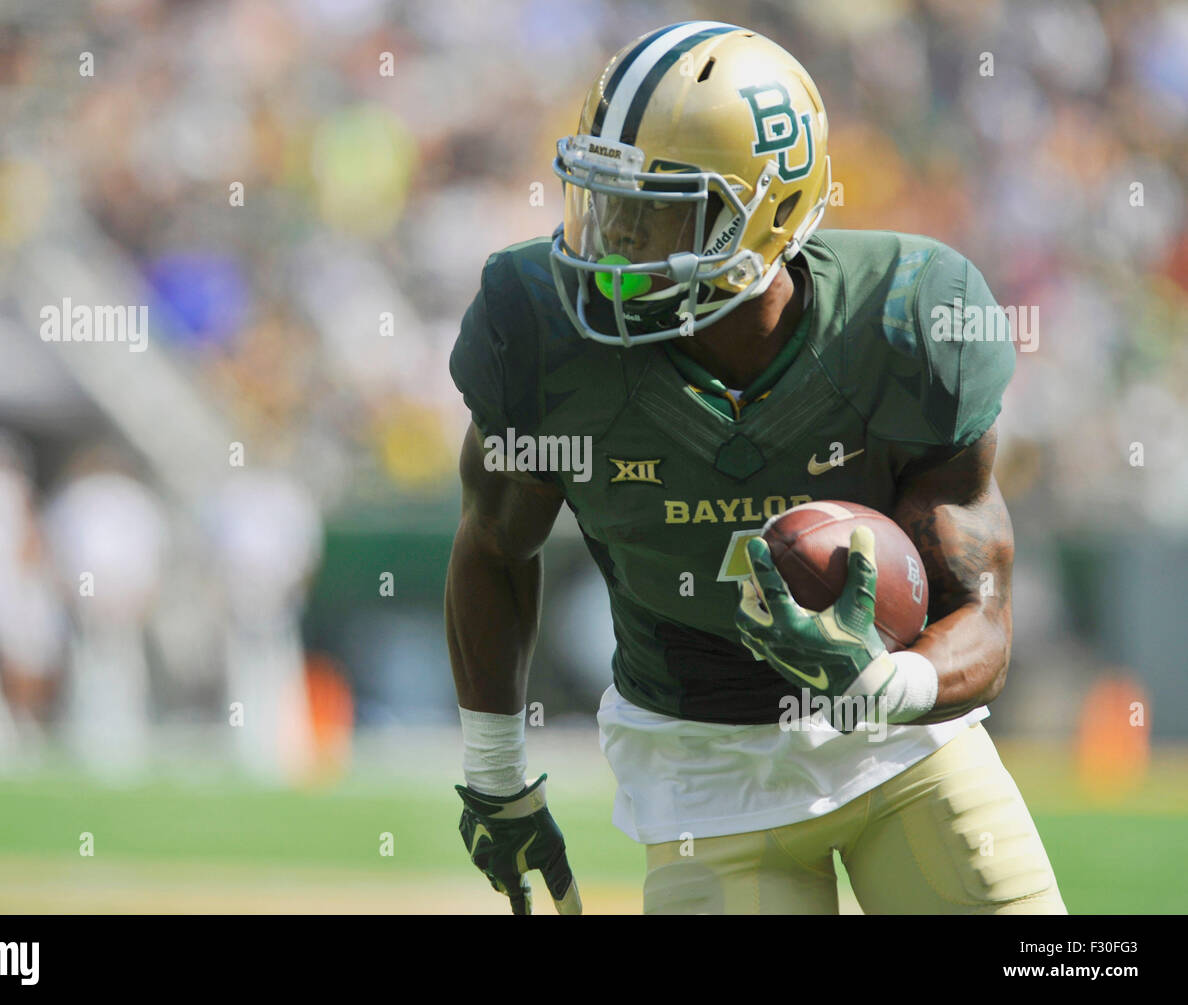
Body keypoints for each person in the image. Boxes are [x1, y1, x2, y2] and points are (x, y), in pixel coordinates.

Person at [445, 22, 1066, 915]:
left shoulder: (908, 322)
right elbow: (496, 546)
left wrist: (888, 684)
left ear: (763, 212)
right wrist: (495, 776)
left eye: (656, 210)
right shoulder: (541, 335)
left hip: (902, 751)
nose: (609, 245)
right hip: (702, 772)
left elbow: (985, 613)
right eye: (605, 203)